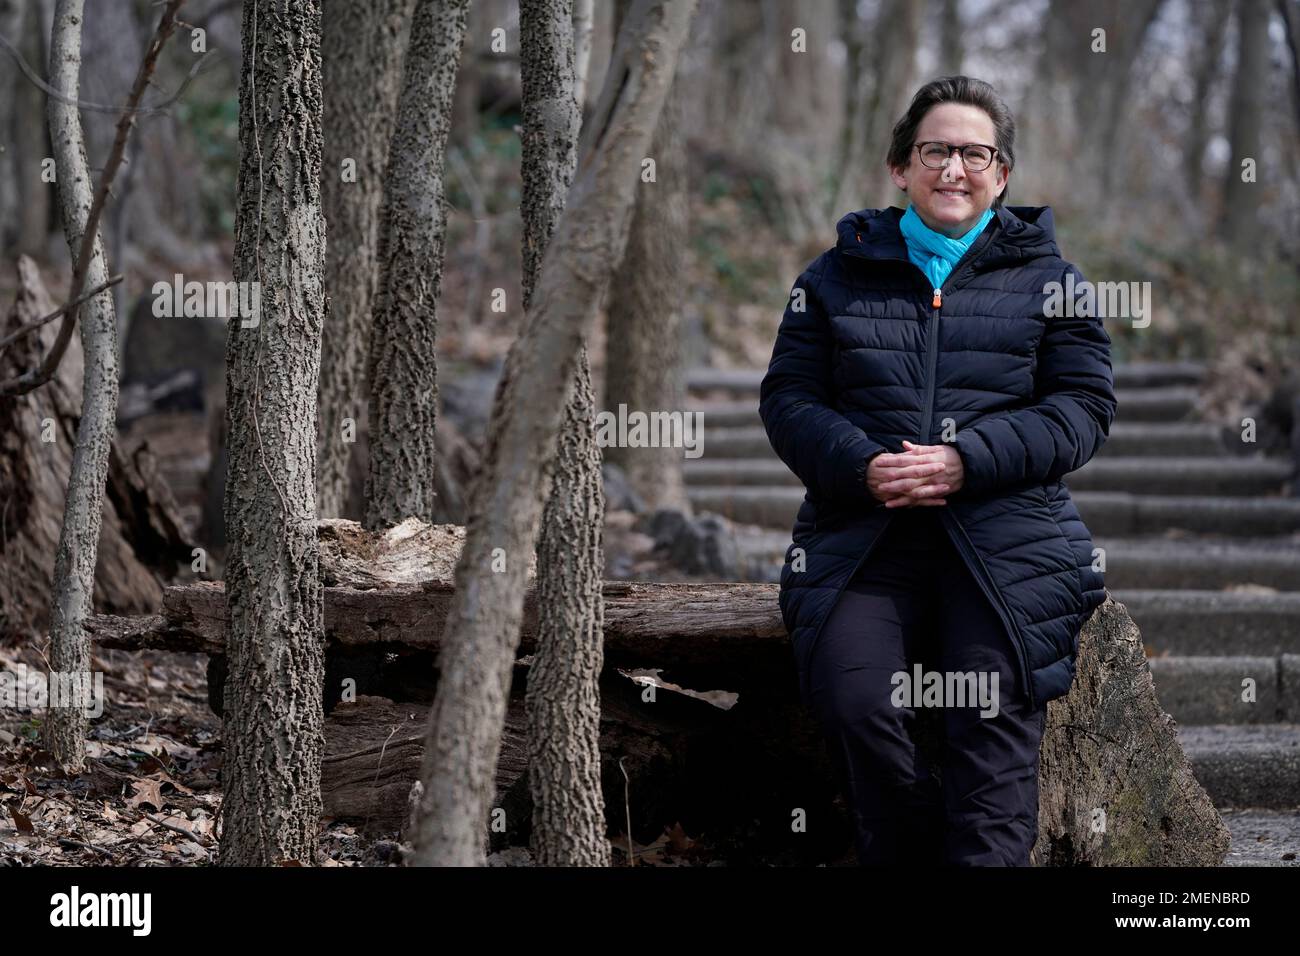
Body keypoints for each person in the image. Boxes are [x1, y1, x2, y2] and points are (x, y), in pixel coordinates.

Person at [759, 75, 1117, 866]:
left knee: (989, 733)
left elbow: (1084, 408)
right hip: (862, 540)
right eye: (935, 151)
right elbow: (788, 398)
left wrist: (967, 461)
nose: (954, 168)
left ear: (1003, 172)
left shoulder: (1053, 283)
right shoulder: (831, 278)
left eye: (974, 153)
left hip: (1007, 544)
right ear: (899, 167)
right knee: (857, 706)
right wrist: (860, 465)